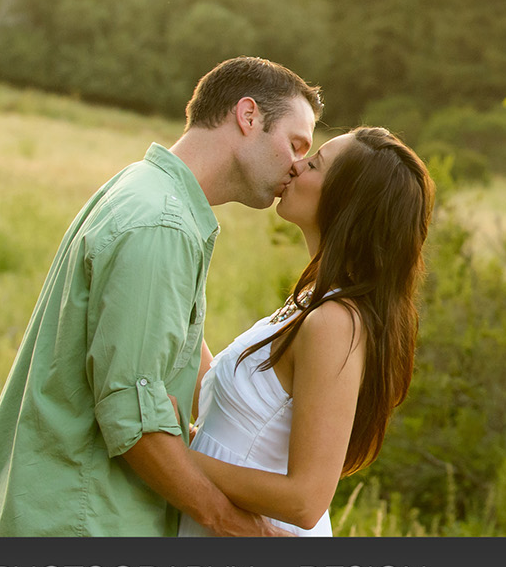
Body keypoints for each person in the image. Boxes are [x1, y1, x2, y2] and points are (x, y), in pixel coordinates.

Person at [0, 57, 322, 537]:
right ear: (248, 116)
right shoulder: (161, 225)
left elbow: (156, 374)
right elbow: (135, 423)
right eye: (295, 144)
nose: (297, 166)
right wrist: (237, 527)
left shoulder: (142, 190)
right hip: (84, 523)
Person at [179, 126, 433, 536]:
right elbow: (226, 409)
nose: (296, 165)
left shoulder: (334, 321)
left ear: (346, 202)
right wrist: (173, 305)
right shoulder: (314, 301)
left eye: (314, 163)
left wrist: (165, 452)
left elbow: (305, 500)